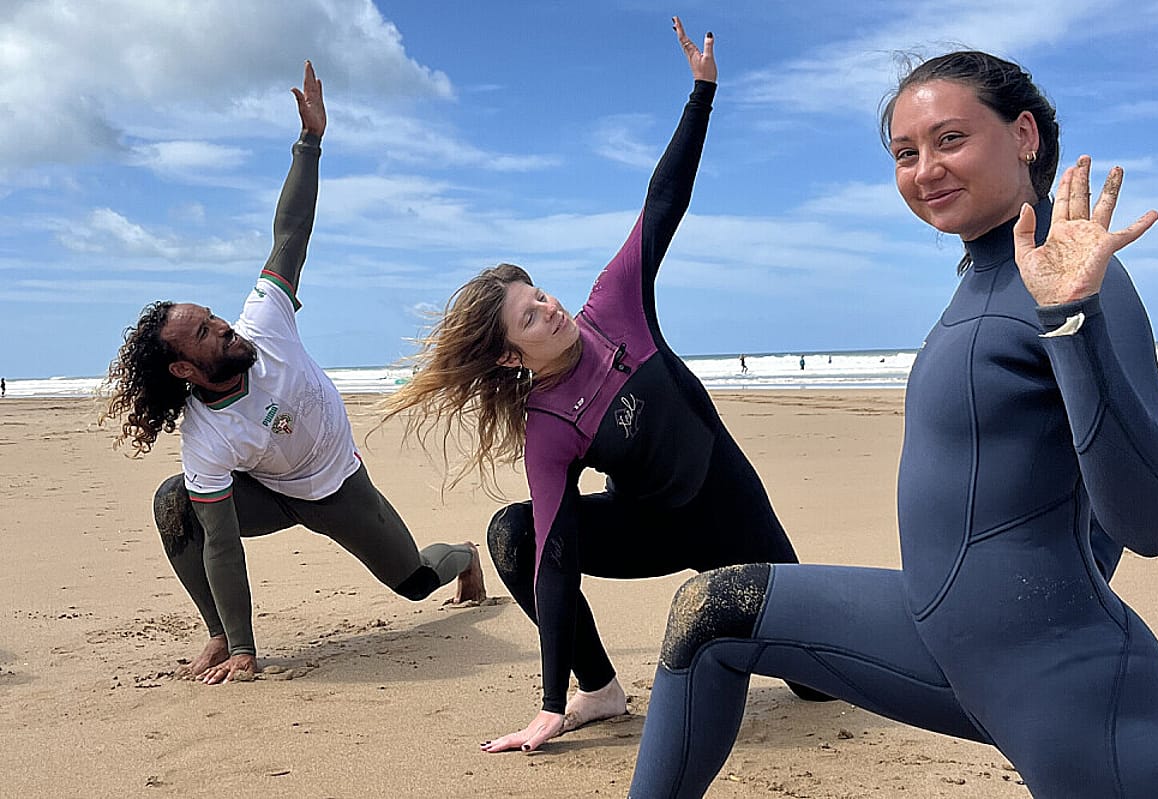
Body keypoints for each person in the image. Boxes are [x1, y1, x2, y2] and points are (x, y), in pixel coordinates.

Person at [628, 50, 1158, 797]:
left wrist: (1071, 318)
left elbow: (1152, 518)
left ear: (1023, 134)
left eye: (950, 139)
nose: (925, 168)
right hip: (941, 639)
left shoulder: (1079, 280)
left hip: (1064, 684)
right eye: (905, 152)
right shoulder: (981, 279)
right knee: (714, 612)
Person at [382, 18, 801, 754]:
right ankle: (598, 688)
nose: (548, 304)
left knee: (816, 680)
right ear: (513, 358)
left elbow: (662, 200)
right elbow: (549, 553)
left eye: (538, 292)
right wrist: (550, 702)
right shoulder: (547, 424)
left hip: (736, 513)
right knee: (514, 534)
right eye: (529, 315)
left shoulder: (616, 303)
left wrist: (701, 93)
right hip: (652, 526)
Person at [98, 61, 485, 686]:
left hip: (337, 483)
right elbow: (220, 543)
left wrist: (310, 142)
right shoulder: (204, 436)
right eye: (204, 333)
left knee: (412, 581)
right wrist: (247, 648)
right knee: (176, 504)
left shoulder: (265, 321)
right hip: (269, 495)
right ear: (184, 369)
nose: (223, 326)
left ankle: (465, 556)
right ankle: (220, 636)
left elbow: (289, 234)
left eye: (213, 317)